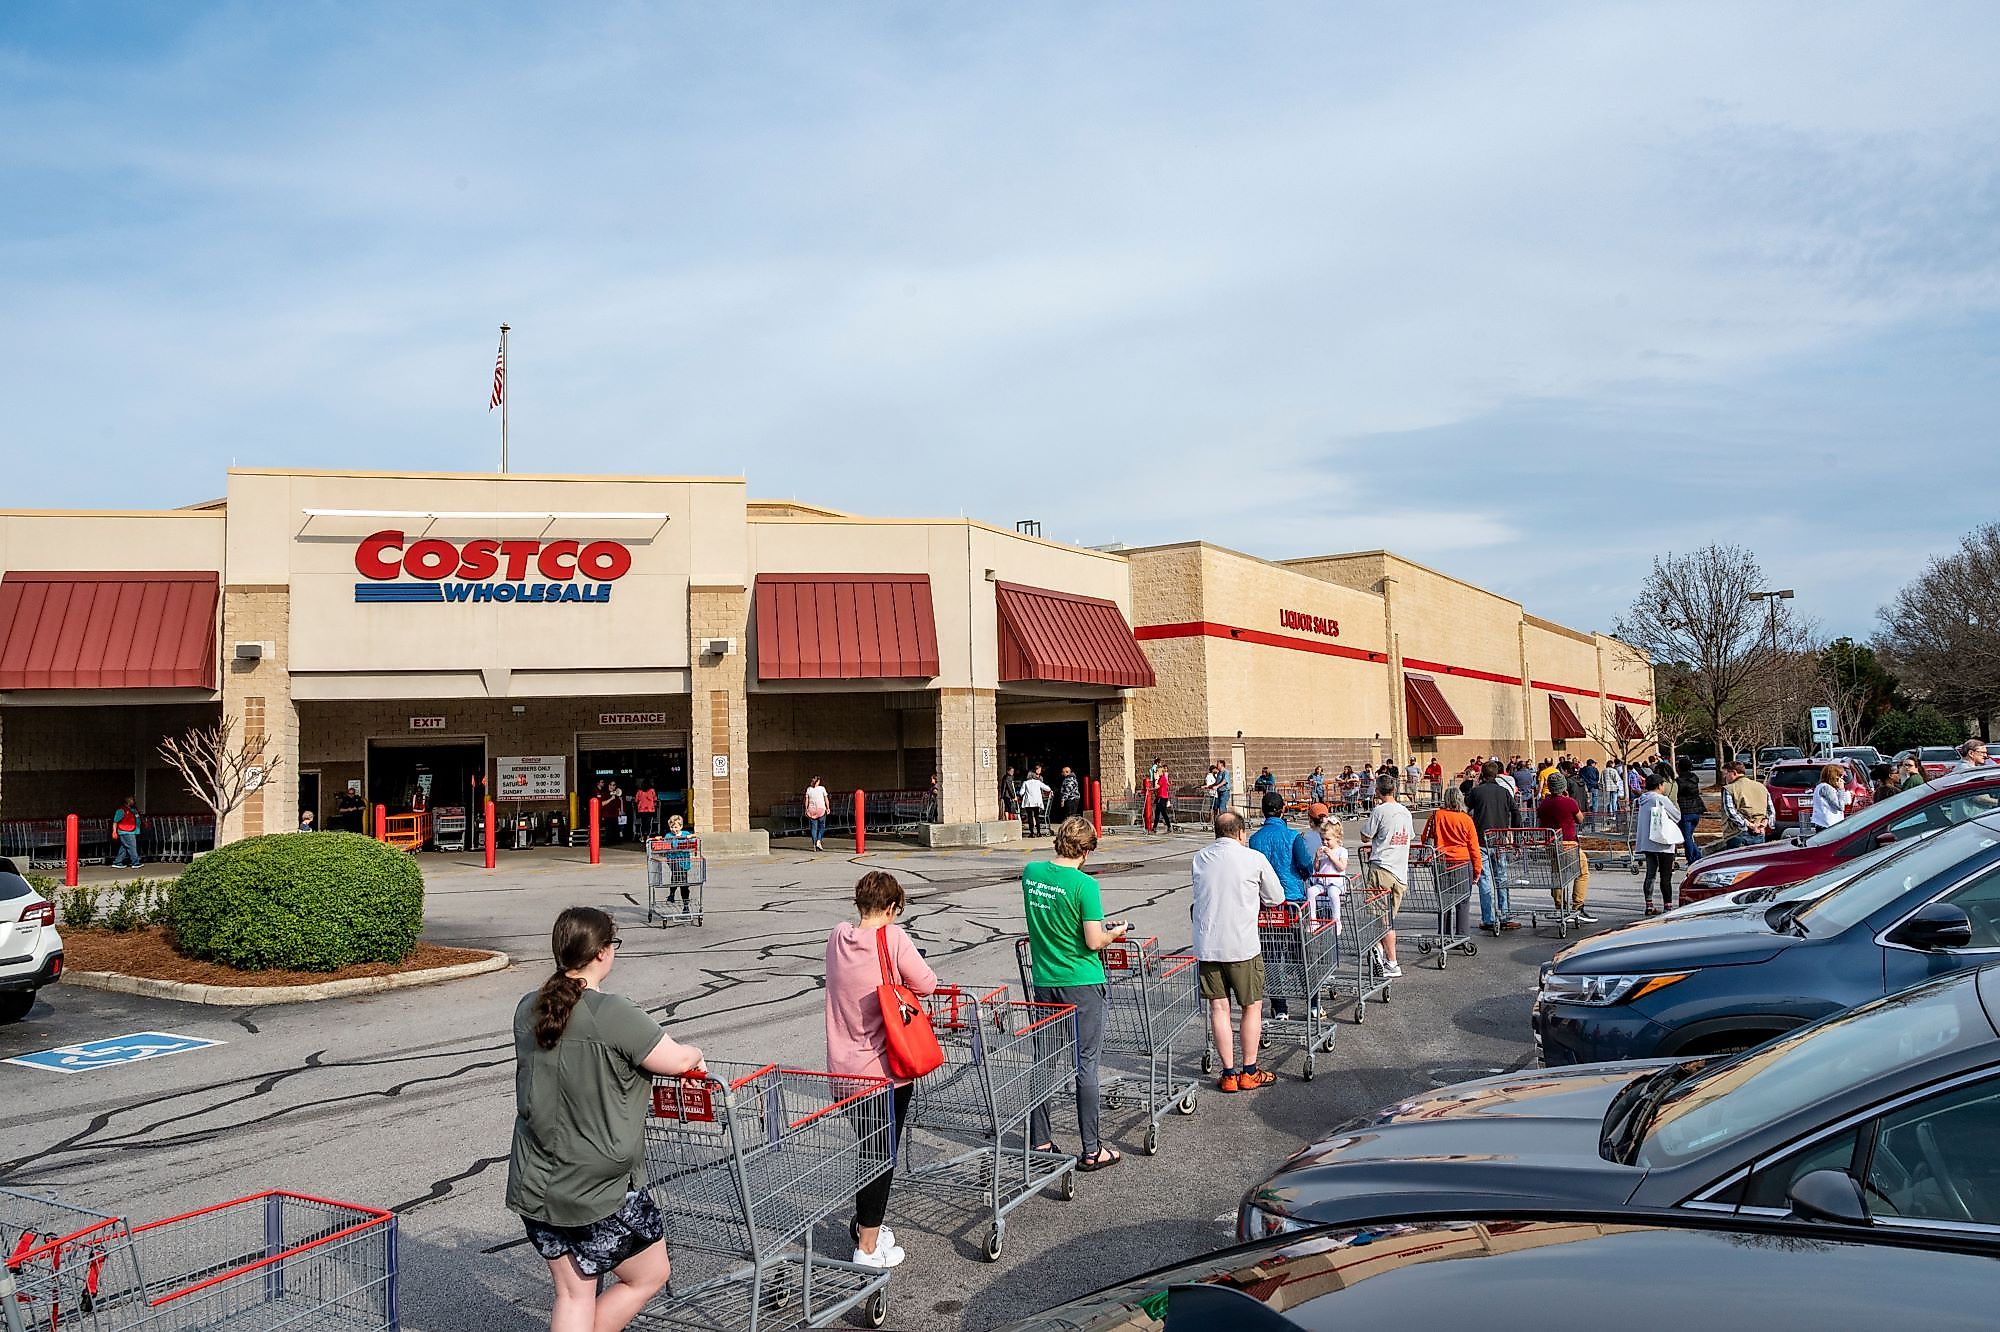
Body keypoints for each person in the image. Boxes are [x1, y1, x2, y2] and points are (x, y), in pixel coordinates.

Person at [508, 907, 704, 1332]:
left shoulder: (529, 1008)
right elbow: (674, 1059)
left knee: (574, 1292)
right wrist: (696, 1056)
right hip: (600, 1189)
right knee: (649, 1274)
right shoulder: (612, 1013)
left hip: (536, 1181)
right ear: (601, 953)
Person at [824, 870, 937, 1268]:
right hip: (884, 1073)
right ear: (891, 908)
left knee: (868, 1150)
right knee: (879, 1156)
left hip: (841, 1072)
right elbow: (927, 983)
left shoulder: (838, 937)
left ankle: (865, 1227)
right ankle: (867, 1248)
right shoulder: (892, 937)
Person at [1023, 817, 1125, 1172]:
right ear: (1085, 850)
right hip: (1081, 980)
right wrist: (1116, 932)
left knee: (1044, 1059)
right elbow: (1093, 941)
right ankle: (1091, 1149)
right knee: (1086, 1064)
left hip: (1045, 978)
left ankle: (1040, 1139)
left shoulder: (1031, 873)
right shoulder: (1085, 885)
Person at [1191, 811, 1285, 1091]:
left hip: (1208, 945)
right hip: (1242, 945)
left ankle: (1229, 1073)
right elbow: (1276, 897)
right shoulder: (1253, 858)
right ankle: (1250, 1070)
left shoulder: (1200, 858)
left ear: (1215, 833)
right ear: (1241, 833)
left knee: (1219, 1007)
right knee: (1251, 1006)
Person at [1248, 789, 1315, 1017]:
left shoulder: (1255, 839)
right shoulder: (1293, 836)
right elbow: (1306, 865)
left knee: (1272, 956)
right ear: (1283, 809)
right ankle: (1313, 1003)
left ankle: (1280, 1007)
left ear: (1262, 811)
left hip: (1267, 906)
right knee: (1301, 953)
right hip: (1293, 901)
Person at [1359, 773, 1412, 976]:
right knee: (1387, 917)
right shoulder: (1405, 812)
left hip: (1382, 867)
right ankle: (1380, 951)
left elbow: (1366, 835)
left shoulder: (1380, 811)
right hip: (1400, 871)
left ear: (1378, 791)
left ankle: (1392, 961)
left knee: (1383, 919)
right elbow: (1409, 836)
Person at [1467, 762, 1520, 935]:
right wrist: (1516, 836)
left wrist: (1474, 784)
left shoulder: (1477, 792)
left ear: (1482, 774)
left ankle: (1488, 918)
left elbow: (1466, 805)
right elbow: (1516, 812)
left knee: (1484, 880)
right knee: (1501, 878)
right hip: (1500, 839)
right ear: (1497, 775)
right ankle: (1504, 914)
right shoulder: (1504, 792)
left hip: (1481, 839)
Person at [1422, 786, 1482, 937]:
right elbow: (1474, 847)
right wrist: (1477, 870)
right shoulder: (1466, 819)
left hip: (1441, 862)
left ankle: (1444, 934)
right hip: (1461, 861)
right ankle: (1462, 935)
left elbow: (1425, 838)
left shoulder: (1436, 816)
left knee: (1444, 900)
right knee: (1462, 902)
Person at [1536, 773, 1595, 923]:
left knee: (1557, 874)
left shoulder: (1543, 804)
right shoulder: (1569, 802)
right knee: (1582, 872)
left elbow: (1539, 822)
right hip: (1568, 843)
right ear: (1563, 787)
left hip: (1551, 843)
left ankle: (1560, 906)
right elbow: (1580, 819)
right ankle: (1577, 906)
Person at [1635, 774, 1680, 913]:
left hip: (1647, 842)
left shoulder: (1642, 800)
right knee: (1666, 876)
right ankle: (1668, 906)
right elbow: (1677, 816)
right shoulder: (1661, 799)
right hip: (1663, 842)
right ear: (1659, 785)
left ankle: (1649, 905)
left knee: (1650, 874)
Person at [1302, 803, 1347, 925]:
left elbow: (1341, 866)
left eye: (1328, 840)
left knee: (1331, 893)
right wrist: (1317, 858)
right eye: (1323, 840)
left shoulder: (1340, 851)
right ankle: (1314, 920)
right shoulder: (1322, 845)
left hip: (1333, 884)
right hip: (1321, 884)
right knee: (1311, 892)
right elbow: (1316, 868)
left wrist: (1331, 855)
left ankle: (1336, 920)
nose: (1325, 842)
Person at [1720, 760, 1773, 850]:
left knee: (1737, 862)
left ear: (1734, 773)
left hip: (1737, 833)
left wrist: (1749, 825)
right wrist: (1764, 823)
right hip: (1759, 831)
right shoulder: (1761, 786)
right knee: (1756, 861)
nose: (1725, 777)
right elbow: (1770, 810)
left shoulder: (1729, 789)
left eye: (1726, 773)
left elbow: (1730, 812)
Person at [653, 814, 699, 912]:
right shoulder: (669, 836)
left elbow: (694, 838)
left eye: (676, 827)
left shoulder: (685, 833)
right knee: (680, 878)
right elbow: (665, 844)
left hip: (684, 861)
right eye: (672, 827)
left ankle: (681, 901)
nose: (674, 829)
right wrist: (659, 839)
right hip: (673, 860)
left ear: (681, 826)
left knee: (680, 879)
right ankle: (676, 897)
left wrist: (691, 836)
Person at [1674, 759, 1708, 866]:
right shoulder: (1694, 779)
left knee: (1686, 837)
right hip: (1697, 810)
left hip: (1685, 811)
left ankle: (1693, 859)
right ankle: (1696, 857)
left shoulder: (1679, 782)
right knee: (1689, 835)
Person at [1811, 762, 1851, 834]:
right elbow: (1840, 806)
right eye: (1841, 777)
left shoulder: (1821, 786)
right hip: (1828, 825)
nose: (1843, 781)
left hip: (1824, 823)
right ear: (1834, 777)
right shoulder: (1827, 788)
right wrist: (1841, 789)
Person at [1019, 766, 1052, 837]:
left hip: (1029, 802)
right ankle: (1039, 832)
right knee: (1037, 816)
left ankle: (1032, 833)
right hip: (1037, 802)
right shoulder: (1038, 782)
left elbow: (1021, 792)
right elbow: (1048, 788)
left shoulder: (1025, 783)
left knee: (1030, 817)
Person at [110, 796, 142, 868]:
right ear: (127, 801)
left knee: (124, 847)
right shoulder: (121, 810)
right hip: (125, 831)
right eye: (131, 800)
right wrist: (114, 831)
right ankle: (135, 862)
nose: (133, 801)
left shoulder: (133, 810)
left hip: (132, 830)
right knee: (132, 846)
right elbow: (115, 822)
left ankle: (117, 862)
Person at [804, 776, 830, 851]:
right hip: (821, 809)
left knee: (813, 828)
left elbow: (806, 801)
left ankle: (814, 844)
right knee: (822, 826)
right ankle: (819, 840)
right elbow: (826, 799)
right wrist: (828, 808)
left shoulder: (809, 789)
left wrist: (806, 809)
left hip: (811, 810)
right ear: (818, 782)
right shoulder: (822, 788)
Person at [1153, 761, 1175, 833]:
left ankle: (1168, 826)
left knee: (1162, 812)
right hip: (1163, 797)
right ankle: (1155, 827)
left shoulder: (1162, 778)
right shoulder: (1162, 778)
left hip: (1162, 797)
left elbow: (1157, 786)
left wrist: (1150, 788)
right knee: (1158, 812)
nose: (1157, 772)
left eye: (1158, 771)